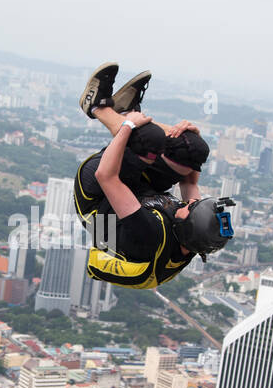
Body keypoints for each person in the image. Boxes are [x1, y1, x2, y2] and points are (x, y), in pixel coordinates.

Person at [72, 64, 235, 288]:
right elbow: (190, 180)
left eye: (191, 207)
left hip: (97, 197)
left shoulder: (149, 233)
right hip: (138, 195)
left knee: (147, 138)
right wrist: (193, 138)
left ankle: (98, 107)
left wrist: (128, 126)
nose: (191, 203)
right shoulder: (194, 236)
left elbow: (106, 176)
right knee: (194, 148)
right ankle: (125, 111)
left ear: (186, 225)